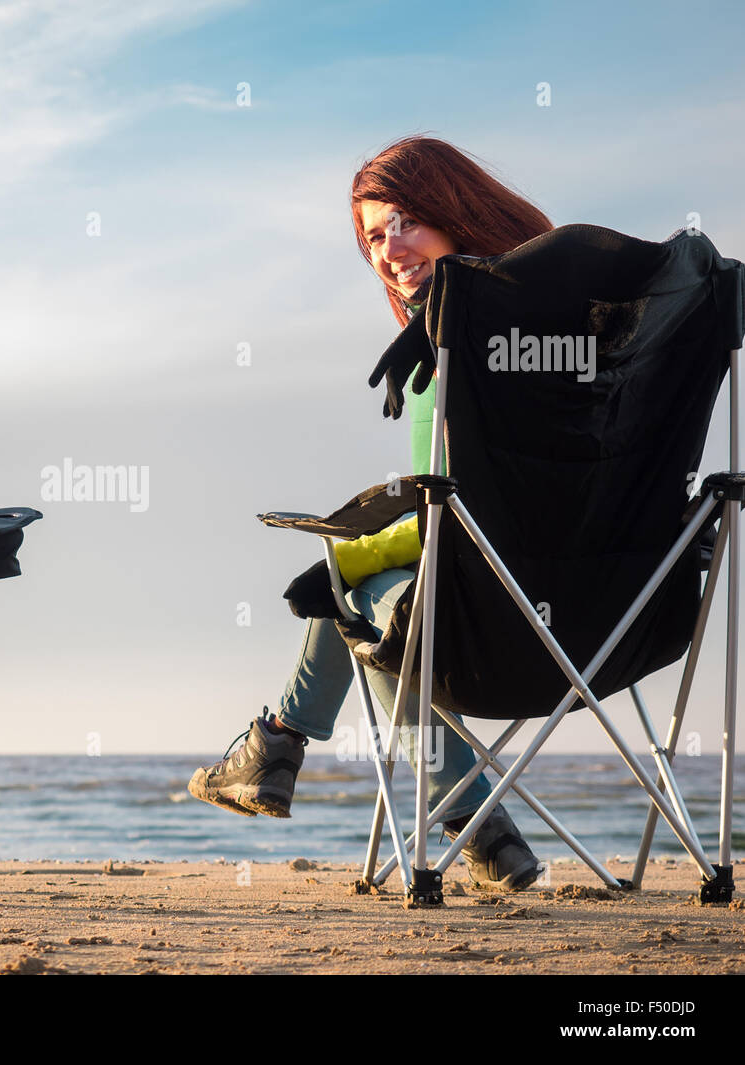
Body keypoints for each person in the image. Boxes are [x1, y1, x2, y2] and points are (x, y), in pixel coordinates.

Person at [189, 136, 552, 891]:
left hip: (490, 615)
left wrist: (349, 555)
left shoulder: (460, 342)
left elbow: (463, 519)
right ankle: (476, 828)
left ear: (458, 208)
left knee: (358, 601)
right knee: (367, 589)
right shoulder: (573, 331)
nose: (390, 250)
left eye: (405, 221)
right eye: (373, 237)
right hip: (609, 621)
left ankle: (286, 748)